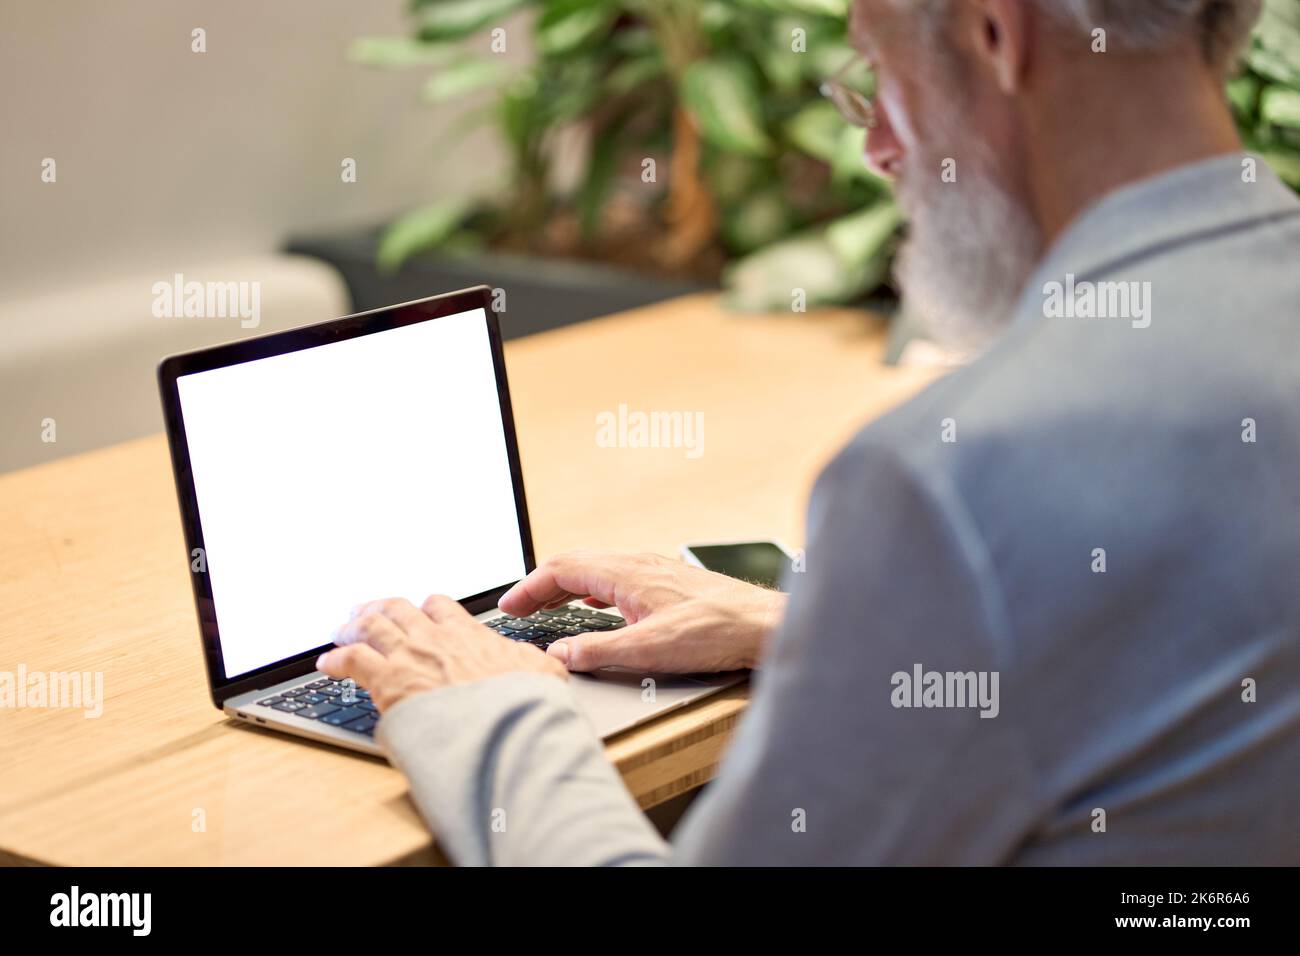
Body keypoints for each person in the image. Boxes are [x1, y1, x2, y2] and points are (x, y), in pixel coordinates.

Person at [318, 0, 1300, 865]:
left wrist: (492, 710)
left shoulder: (954, 476)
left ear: (993, 33)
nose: (875, 145)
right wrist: (837, 635)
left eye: (877, 70)